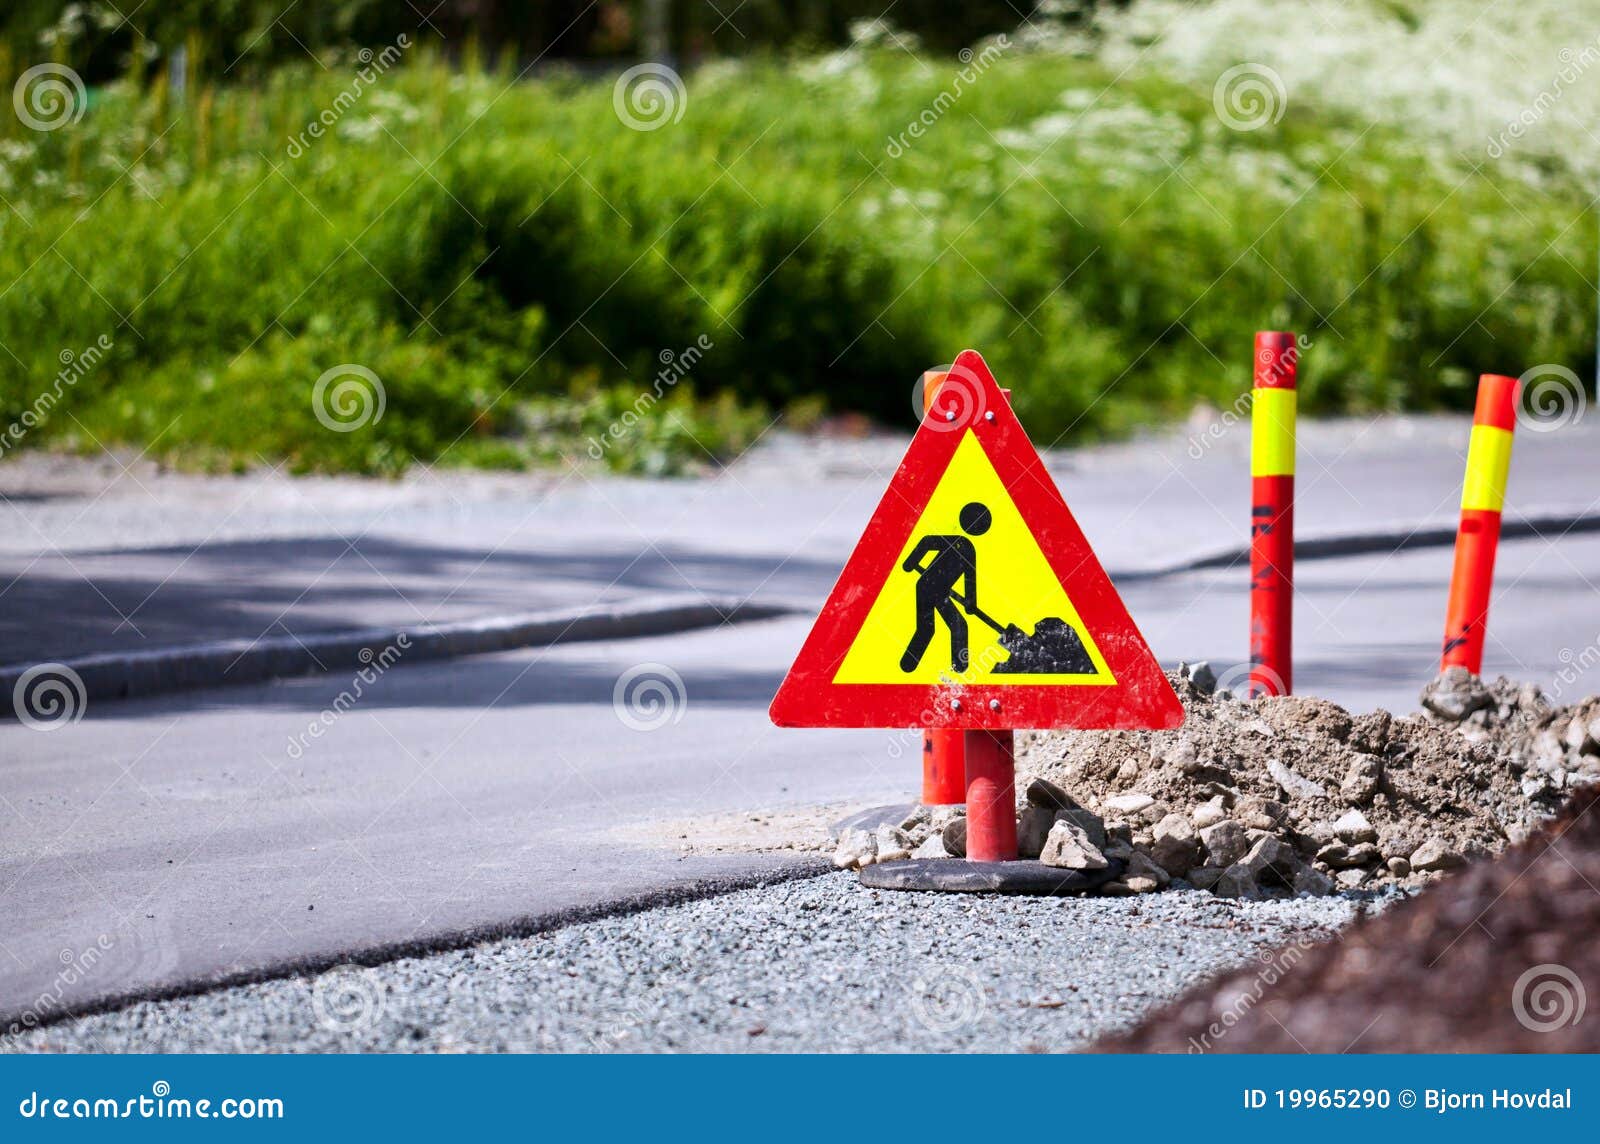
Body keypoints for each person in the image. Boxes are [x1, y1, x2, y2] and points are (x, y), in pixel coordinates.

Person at [898, 502, 992, 673]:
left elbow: (970, 580)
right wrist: (910, 562)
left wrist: (971, 602)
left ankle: (956, 670)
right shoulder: (957, 541)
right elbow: (926, 542)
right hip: (926, 588)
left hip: (939, 591)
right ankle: (909, 666)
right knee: (933, 627)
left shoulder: (969, 549)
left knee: (951, 627)